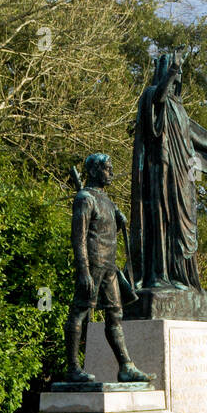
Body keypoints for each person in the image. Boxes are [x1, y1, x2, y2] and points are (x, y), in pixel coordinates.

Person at [129, 48, 207, 291]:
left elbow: (191, 136)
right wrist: (174, 68)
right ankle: (159, 275)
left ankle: (180, 276)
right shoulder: (151, 96)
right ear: (164, 74)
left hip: (183, 174)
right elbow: (158, 97)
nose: (176, 81)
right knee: (163, 219)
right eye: (172, 76)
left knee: (183, 225)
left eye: (178, 77)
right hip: (162, 169)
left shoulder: (180, 109)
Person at [64, 153, 150, 384]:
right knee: (80, 312)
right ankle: (73, 368)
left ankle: (126, 367)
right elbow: (78, 238)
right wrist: (83, 270)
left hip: (110, 267)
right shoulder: (84, 199)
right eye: (107, 168)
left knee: (115, 315)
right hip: (92, 266)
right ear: (93, 171)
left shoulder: (107, 202)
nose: (111, 173)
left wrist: (118, 217)